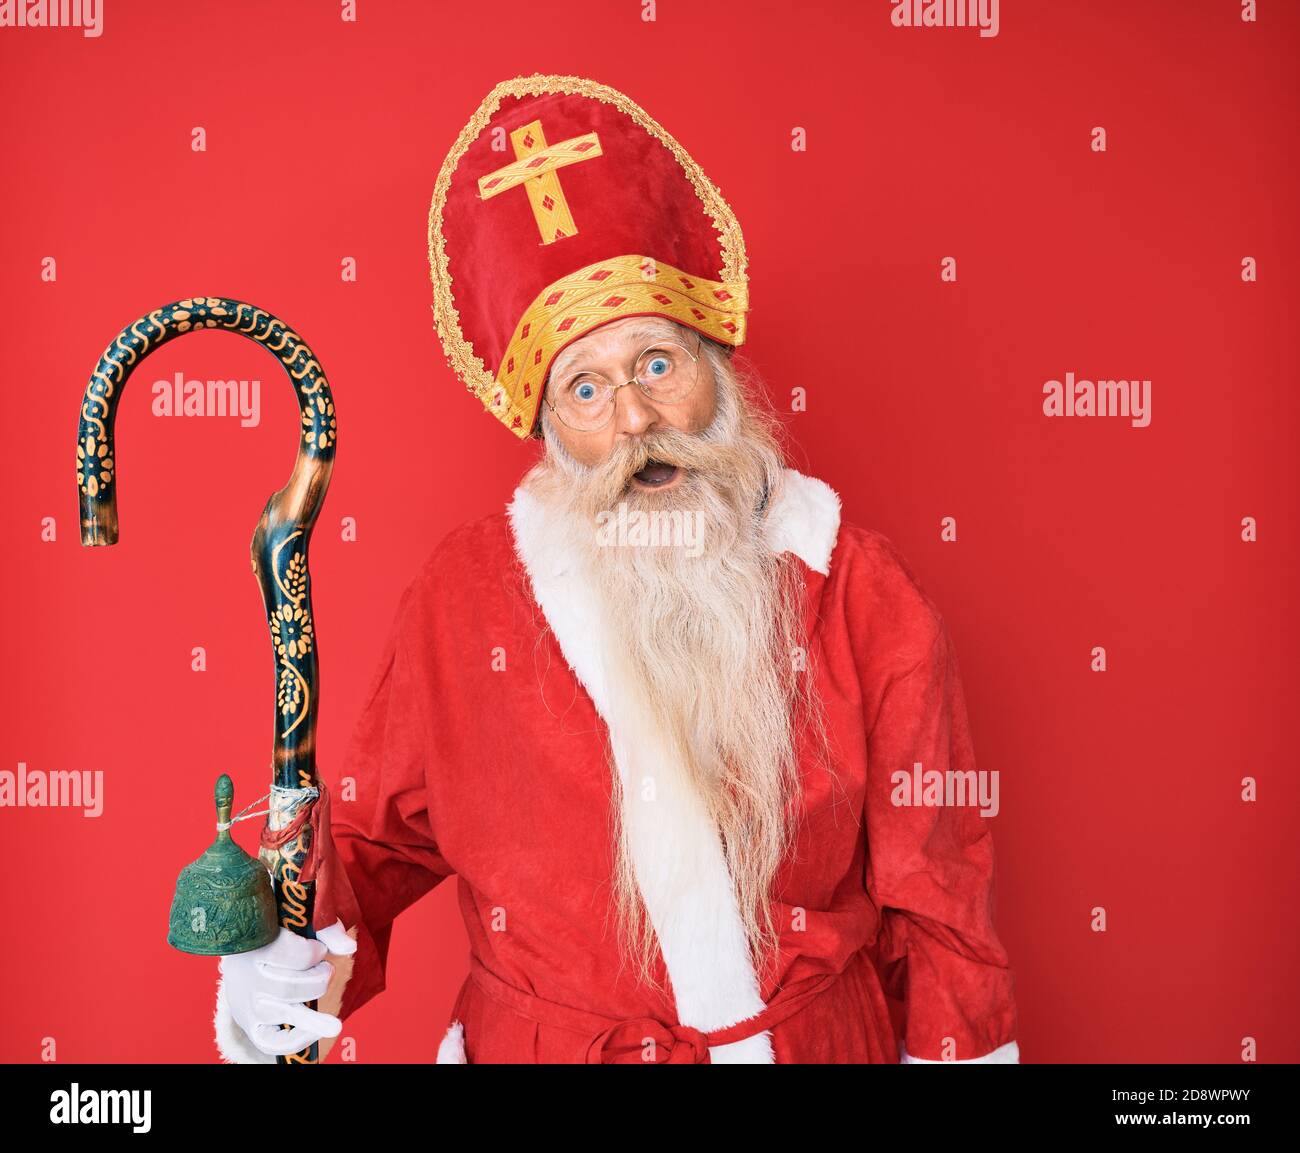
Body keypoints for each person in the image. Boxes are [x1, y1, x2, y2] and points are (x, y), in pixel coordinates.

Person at [213, 74, 1020, 1065]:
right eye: (586, 388)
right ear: (551, 430)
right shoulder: (463, 597)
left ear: (715, 371)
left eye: (656, 365)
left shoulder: (860, 591)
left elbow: (937, 904)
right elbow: (379, 848)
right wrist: (289, 952)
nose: (635, 420)